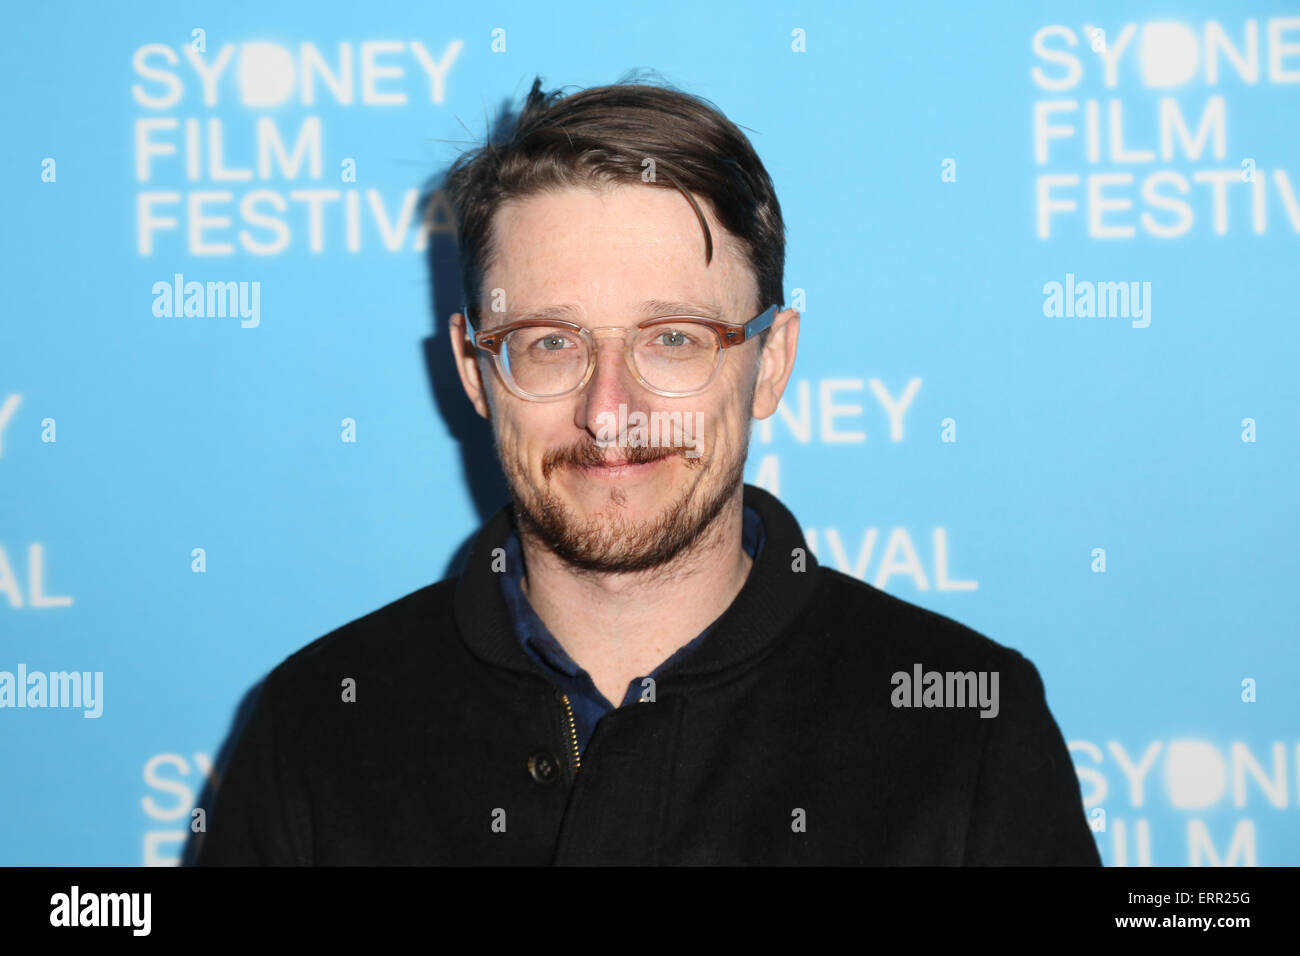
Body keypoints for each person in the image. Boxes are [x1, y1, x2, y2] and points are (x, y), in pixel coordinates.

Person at [193, 75, 1101, 866]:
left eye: (673, 339)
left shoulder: (967, 727)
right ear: (477, 373)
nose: (610, 411)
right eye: (550, 343)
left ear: (772, 362)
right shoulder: (317, 729)